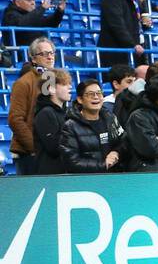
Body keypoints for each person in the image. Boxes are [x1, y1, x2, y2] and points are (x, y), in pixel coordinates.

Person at [8, 37, 56, 174]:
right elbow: (15, 119)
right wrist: (35, 147)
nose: (50, 57)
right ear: (33, 59)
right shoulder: (23, 83)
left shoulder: (52, 78)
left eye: (51, 53)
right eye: (44, 54)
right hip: (29, 154)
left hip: (50, 152)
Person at [59, 79, 126, 173]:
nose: (96, 97)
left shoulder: (110, 118)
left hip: (113, 178)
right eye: (90, 94)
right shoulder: (70, 126)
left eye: (99, 93)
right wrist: (103, 165)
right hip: (87, 182)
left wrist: (116, 152)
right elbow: (71, 162)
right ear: (80, 99)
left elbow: (123, 141)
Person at [98, 0, 150, 71]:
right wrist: (132, 45)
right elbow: (117, 24)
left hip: (132, 49)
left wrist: (143, 10)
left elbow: (134, 23)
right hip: (118, 53)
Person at [32, 68, 73, 175]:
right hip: (51, 175)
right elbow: (54, 147)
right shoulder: (45, 113)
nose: (70, 87)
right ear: (51, 89)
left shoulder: (67, 112)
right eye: (65, 84)